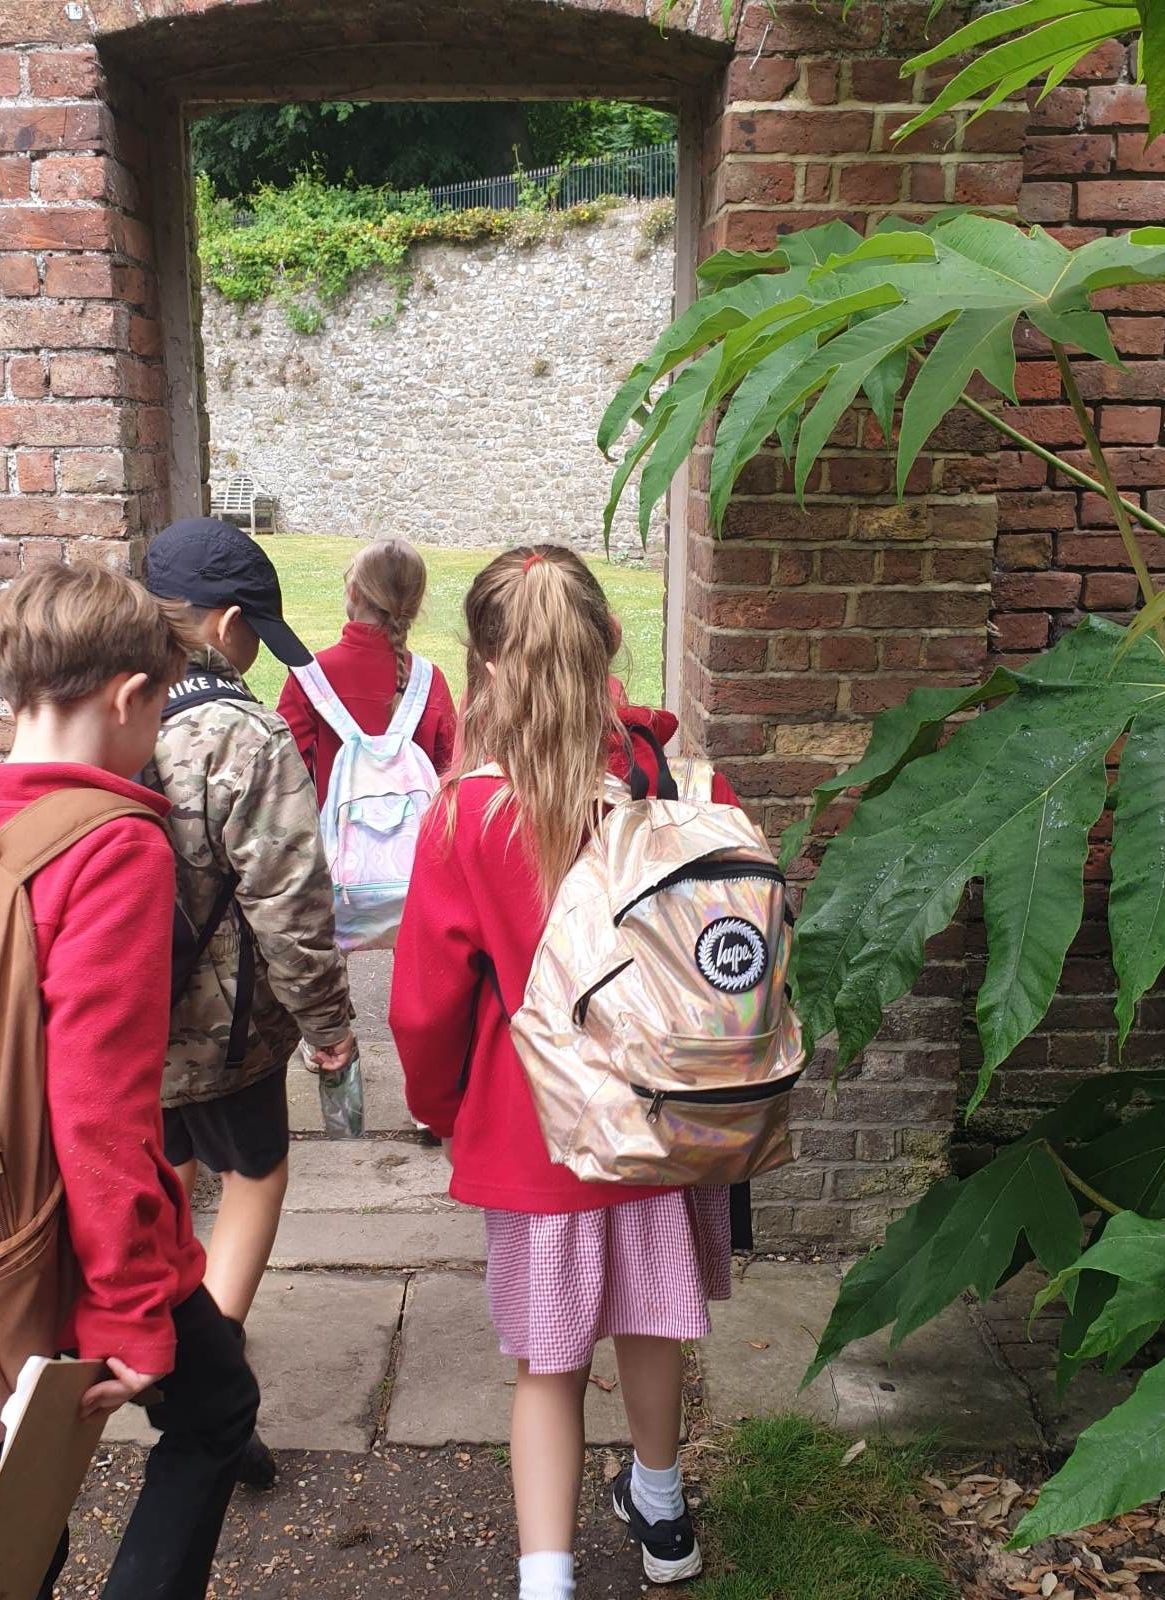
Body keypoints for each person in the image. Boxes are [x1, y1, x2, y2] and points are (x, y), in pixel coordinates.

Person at [0, 561, 260, 1600]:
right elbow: (98, 1107)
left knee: (8, 1465)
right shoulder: (112, 845)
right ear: (128, 695)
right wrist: (129, 1308)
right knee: (211, 1414)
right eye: (159, 703)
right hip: (75, 1238)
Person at [389, 545, 735, 1600]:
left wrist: (440, 1107)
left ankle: (547, 1581)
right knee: (650, 1321)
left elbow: (423, 1004)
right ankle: (661, 1519)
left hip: (535, 1130)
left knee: (547, 1362)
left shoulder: (467, 816)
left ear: (482, 666)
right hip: (661, 1113)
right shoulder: (649, 782)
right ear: (607, 653)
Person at [141, 517, 357, 1488]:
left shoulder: (107, 698)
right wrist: (330, 1030)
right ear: (226, 624)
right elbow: (292, 905)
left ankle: (159, 1333)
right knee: (256, 1178)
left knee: (168, 1177)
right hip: (222, 1035)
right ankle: (206, 1385)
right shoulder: (244, 734)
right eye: (254, 637)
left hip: (120, 1022)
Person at [276, 536, 457, 806]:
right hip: (415, 844)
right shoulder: (430, 681)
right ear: (415, 607)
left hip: (333, 845)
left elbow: (283, 776)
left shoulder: (311, 677)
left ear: (354, 593)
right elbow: (450, 774)